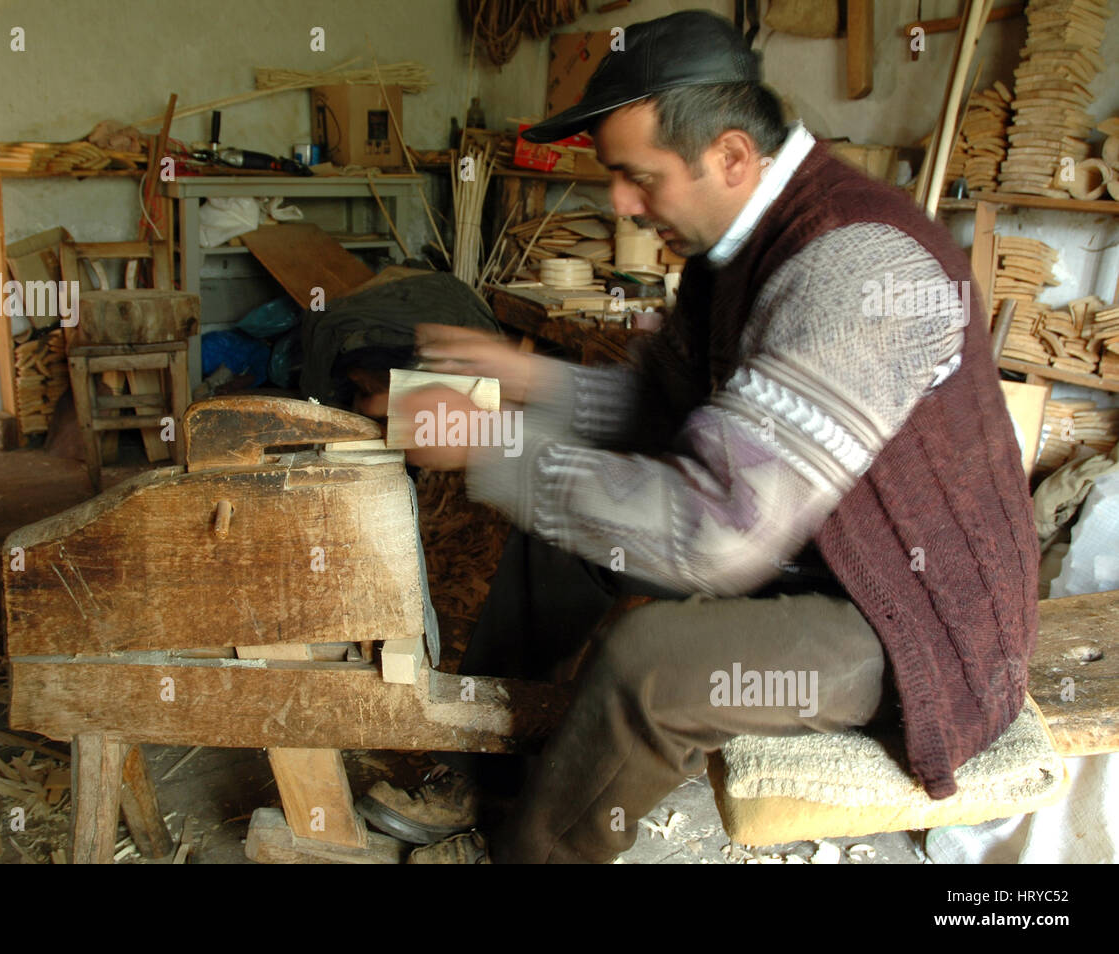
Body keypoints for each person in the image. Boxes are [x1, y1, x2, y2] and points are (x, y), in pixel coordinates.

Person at [369, 9, 1038, 864]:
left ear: (729, 155)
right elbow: (666, 416)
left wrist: (493, 450)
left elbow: (719, 531)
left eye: (638, 178)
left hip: (912, 621)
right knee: (554, 539)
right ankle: (484, 775)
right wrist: (527, 381)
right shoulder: (731, 249)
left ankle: (532, 857)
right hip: (809, 548)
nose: (620, 203)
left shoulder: (859, 266)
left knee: (655, 667)